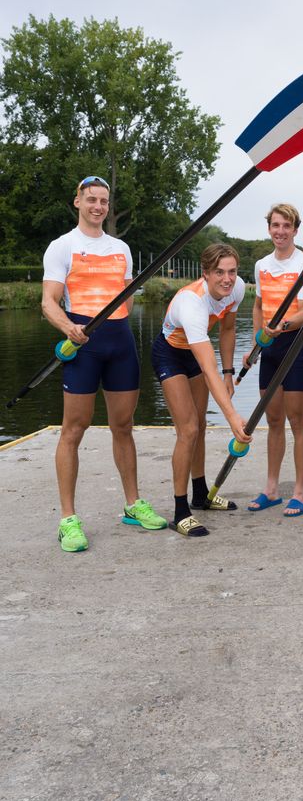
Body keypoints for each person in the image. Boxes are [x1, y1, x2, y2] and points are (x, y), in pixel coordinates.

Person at [42, 175, 166, 553]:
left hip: (120, 343)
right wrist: (69, 327)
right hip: (84, 345)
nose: (98, 206)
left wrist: (113, 321)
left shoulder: (121, 248)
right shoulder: (62, 246)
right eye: (91, 199)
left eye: (103, 201)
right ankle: (68, 520)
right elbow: (48, 302)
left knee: (123, 426)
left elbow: (126, 300)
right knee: (73, 429)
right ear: (77, 201)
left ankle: (133, 505)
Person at [151, 244, 252, 538]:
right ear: (205, 273)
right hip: (170, 354)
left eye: (232, 271)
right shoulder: (191, 302)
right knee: (188, 429)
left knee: (202, 425)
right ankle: (180, 511)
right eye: (219, 272)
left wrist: (229, 373)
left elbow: (228, 330)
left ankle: (200, 495)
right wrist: (232, 417)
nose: (227, 279)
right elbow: (208, 368)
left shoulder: (237, 288)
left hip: (195, 352)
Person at [246, 204, 303, 517]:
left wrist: (282, 325)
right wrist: (256, 342)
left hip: (296, 346)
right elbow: (258, 307)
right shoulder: (262, 265)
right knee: (273, 421)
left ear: (295, 230)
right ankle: (272, 489)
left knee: (297, 421)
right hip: (270, 350)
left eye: (286, 226)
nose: (280, 231)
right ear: (269, 228)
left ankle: (300, 493)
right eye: (276, 225)